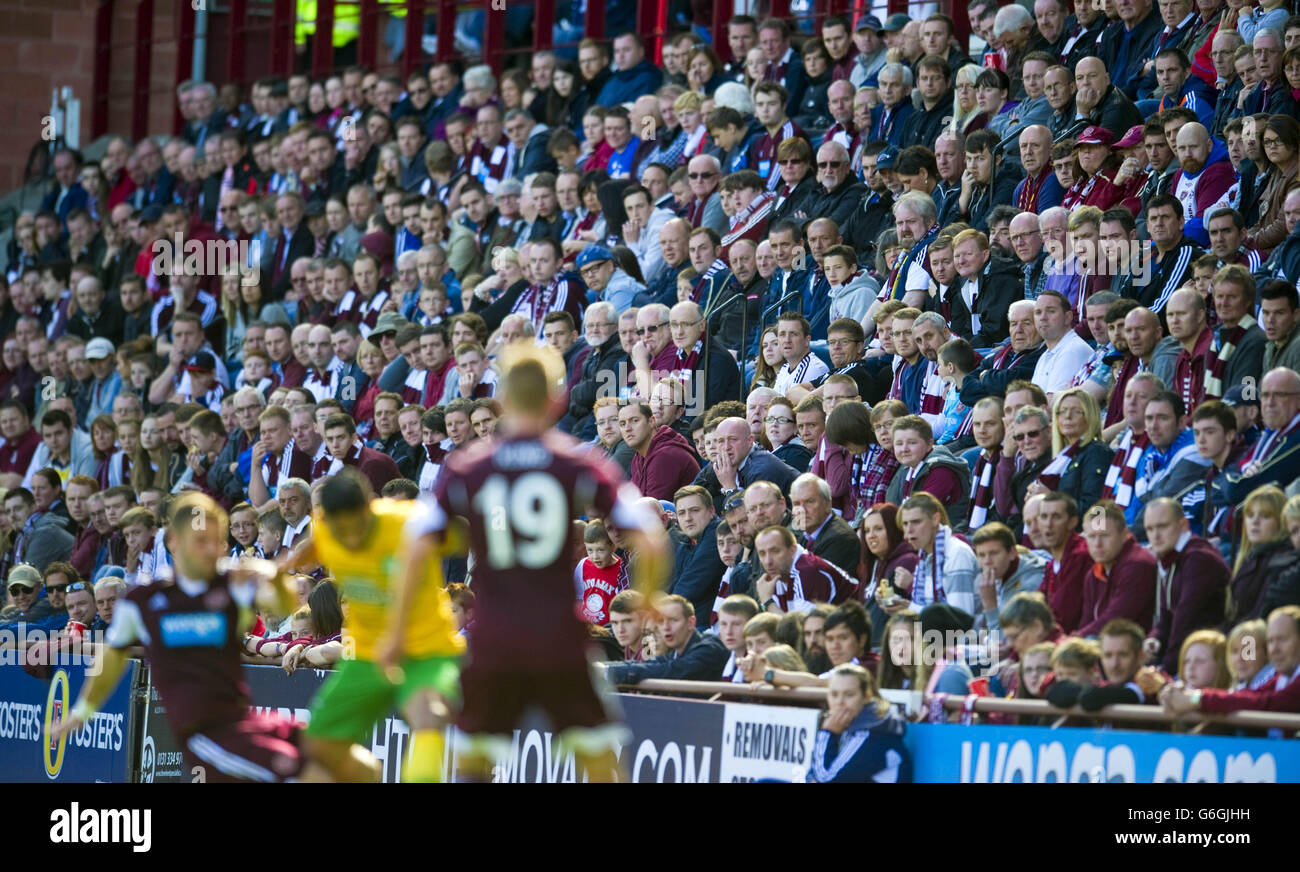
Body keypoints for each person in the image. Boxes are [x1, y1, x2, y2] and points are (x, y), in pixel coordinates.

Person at [400, 345, 670, 782]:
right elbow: (651, 537)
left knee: (473, 765)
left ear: (502, 399)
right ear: (557, 400)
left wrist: (405, 626)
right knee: (602, 763)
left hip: (494, 637)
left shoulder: (469, 465)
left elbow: (415, 543)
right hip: (558, 637)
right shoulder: (578, 461)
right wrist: (651, 598)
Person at [52, 493, 324, 782]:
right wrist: (82, 710)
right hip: (206, 734)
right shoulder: (143, 600)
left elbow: (283, 605)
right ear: (173, 542)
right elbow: (113, 653)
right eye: (199, 541)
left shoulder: (234, 585)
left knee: (354, 764)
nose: (209, 550)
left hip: (247, 720)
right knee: (313, 777)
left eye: (214, 541)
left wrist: (274, 575)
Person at [280, 469, 465, 783]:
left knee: (427, 714)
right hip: (366, 653)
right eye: (342, 531)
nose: (351, 539)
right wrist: (282, 566)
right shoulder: (326, 529)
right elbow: (313, 545)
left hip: (426, 648)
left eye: (357, 528)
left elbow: (460, 528)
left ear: (369, 506)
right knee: (318, 744)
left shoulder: (408, 520)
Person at [1142, 496, 1231, 674]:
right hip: (1187, 651)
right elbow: (1167, 616)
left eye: (1162, 526)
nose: (1155, 536)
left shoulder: (1198, 558)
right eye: (1150, 529)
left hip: (1210, 657)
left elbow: (1186, 618)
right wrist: (1155, 639)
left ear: (1183, 525)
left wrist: (1164, 671)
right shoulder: (1170, 557)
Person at [805, 664, 912, 783]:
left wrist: (827, 733)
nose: (840, 702)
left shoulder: (873, 733)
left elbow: (825, 779)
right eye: (834, 694)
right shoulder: (848, 726)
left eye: (849, 694)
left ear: (866, 696)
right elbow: (812, 774)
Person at [605, 594, 729, 683]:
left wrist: (607, 673)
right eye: (660, 621)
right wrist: (600, 668)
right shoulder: (674, 652)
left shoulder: (709, 648)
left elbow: (670, 671)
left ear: (691, 622)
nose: (665, 627)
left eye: (673, 620)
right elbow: (646, 664)